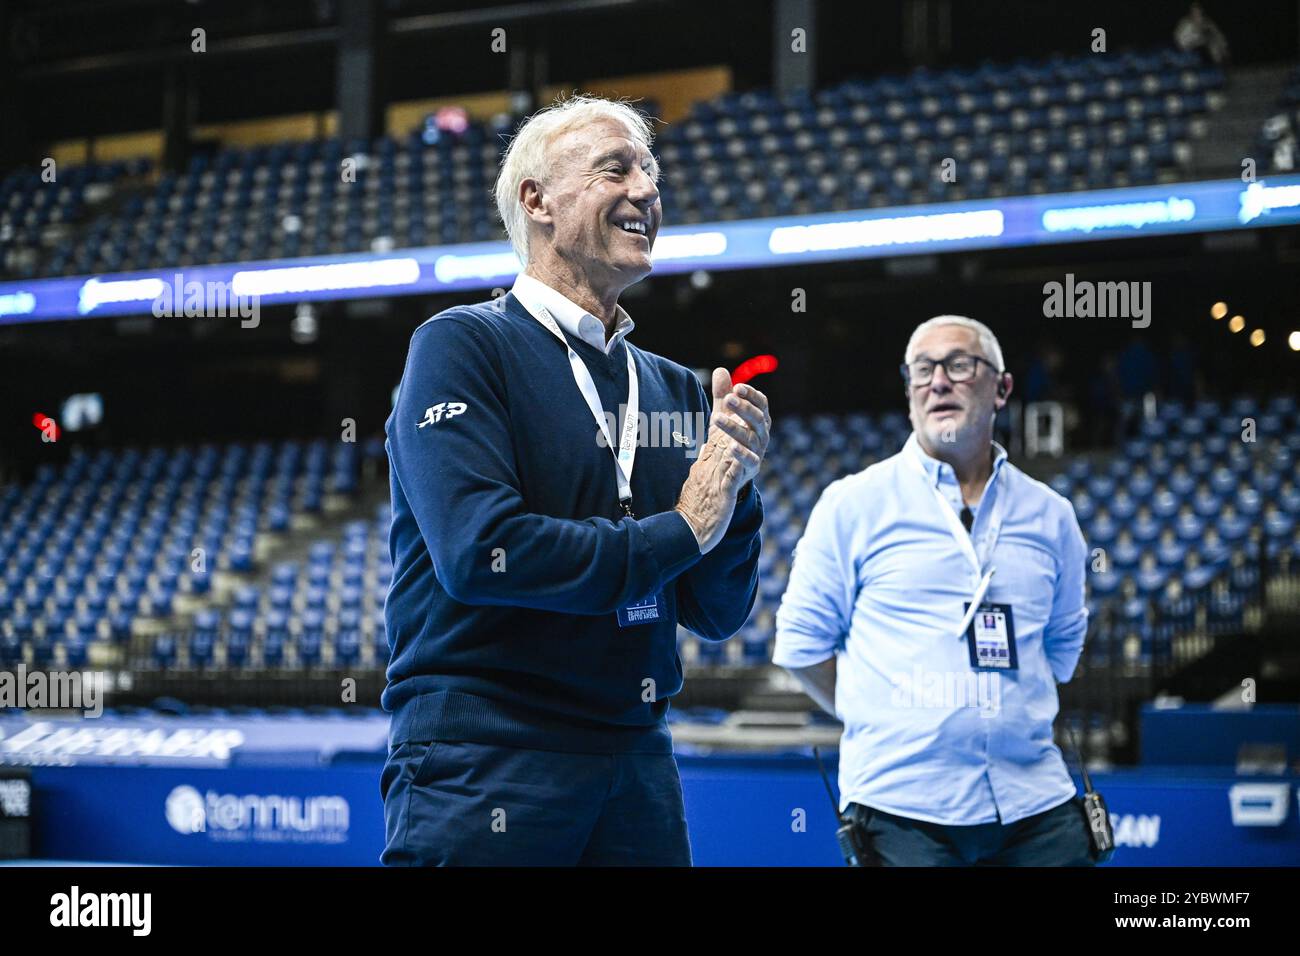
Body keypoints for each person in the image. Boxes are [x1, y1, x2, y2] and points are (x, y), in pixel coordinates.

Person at [379, 95, 770, 866]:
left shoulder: (676, 389)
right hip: (487, 748)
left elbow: (717, 610)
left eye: (652, 172)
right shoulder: (461, 347)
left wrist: (735, 485)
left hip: (636, 754)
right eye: (615, 168)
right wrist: (682, 527)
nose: (647, 189)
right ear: (538, 202)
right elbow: (482, 553)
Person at [774, 315, 1094, 866]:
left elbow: (1061, 652)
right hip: (902, 810)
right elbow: (803, 648)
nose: (938, 381)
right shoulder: (852, 505)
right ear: (909, 392)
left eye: (959, 364)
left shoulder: (1051, 515)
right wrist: (888, 714)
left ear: (1002, 388)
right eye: (922, 369)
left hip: (1037, 806)